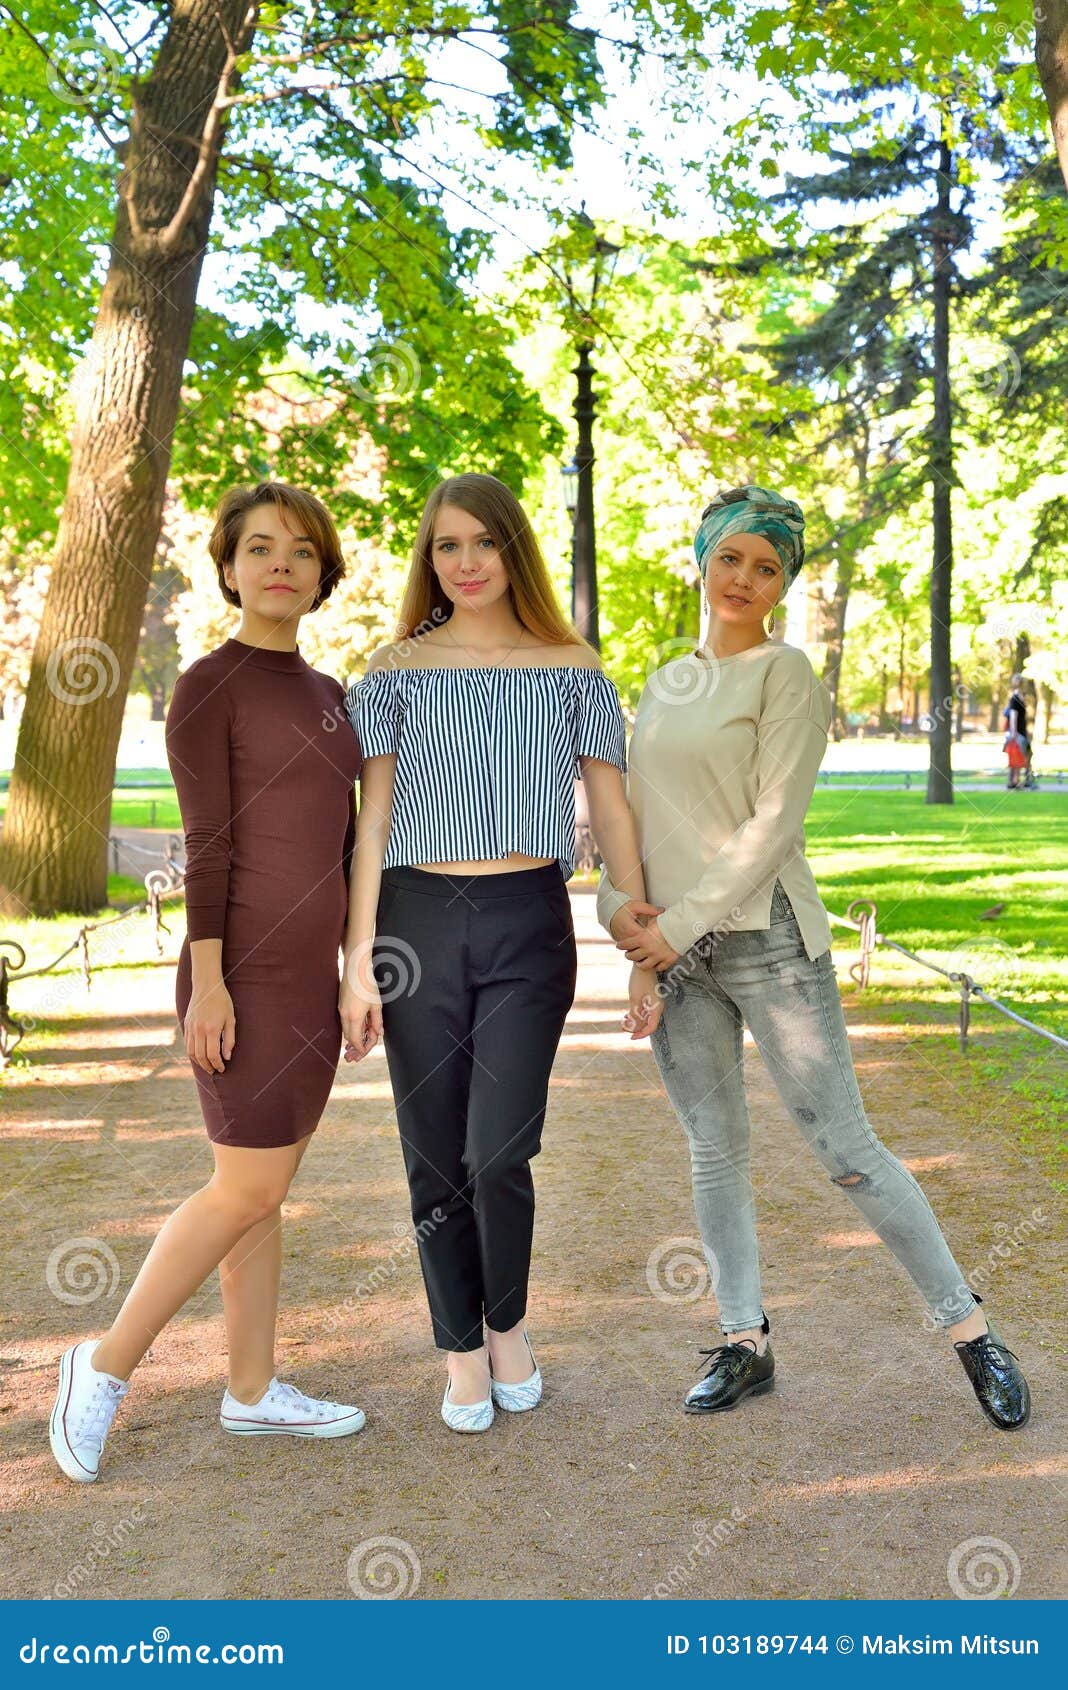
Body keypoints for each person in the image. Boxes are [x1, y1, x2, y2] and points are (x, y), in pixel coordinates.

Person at [596, 484, 1032, 1431]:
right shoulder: (667, 681)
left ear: (784, 584)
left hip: (769, 941)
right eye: (732, 559)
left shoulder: (787, 675)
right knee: (715, 1151)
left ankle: (971, 1334)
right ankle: (743, 1342)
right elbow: (631, 815)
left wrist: (675, 929)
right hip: (678, 953)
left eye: (768, 568)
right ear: (703, 561)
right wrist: (631, 931)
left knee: (847, 1152)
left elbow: (769, 827)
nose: (747, 579)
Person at [49, 482, 366, 1484]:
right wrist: (211, 983)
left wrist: (357, 971)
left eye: (302, 550)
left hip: (311, 982)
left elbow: (349, 842)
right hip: (241, 977)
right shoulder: (207, 685)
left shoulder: (331, 698)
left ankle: (252, 1387)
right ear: (227, 568)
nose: (282, 562)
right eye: (260, 547)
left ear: (323, 574)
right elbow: (210, 843)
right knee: (245, 1184)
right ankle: (100, 1368)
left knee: (263, 1196)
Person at [340, 473, 648, 1433]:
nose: (464, 562)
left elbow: (611, 808)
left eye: (482, 542)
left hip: (528, 921)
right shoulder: (391, 670)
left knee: (497, 1147)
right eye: (445, 546)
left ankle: (507, 1323)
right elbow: (374, 817)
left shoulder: (572, 664)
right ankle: (462, 1351)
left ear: (514, 548)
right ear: (427, 560)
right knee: (433, 1154)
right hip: (414, 921)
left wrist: (643, 940)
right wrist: (357, 958)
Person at [1003, 673, 1037, 790]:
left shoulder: (1020, 698)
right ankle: (1015, 782)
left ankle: (1016, 781)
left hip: (1021, 732)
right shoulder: (1015, 699)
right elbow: (1013, 716)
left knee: (1023, 755)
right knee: (1018, 756)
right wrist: (1013, 733)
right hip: (1016, 733)